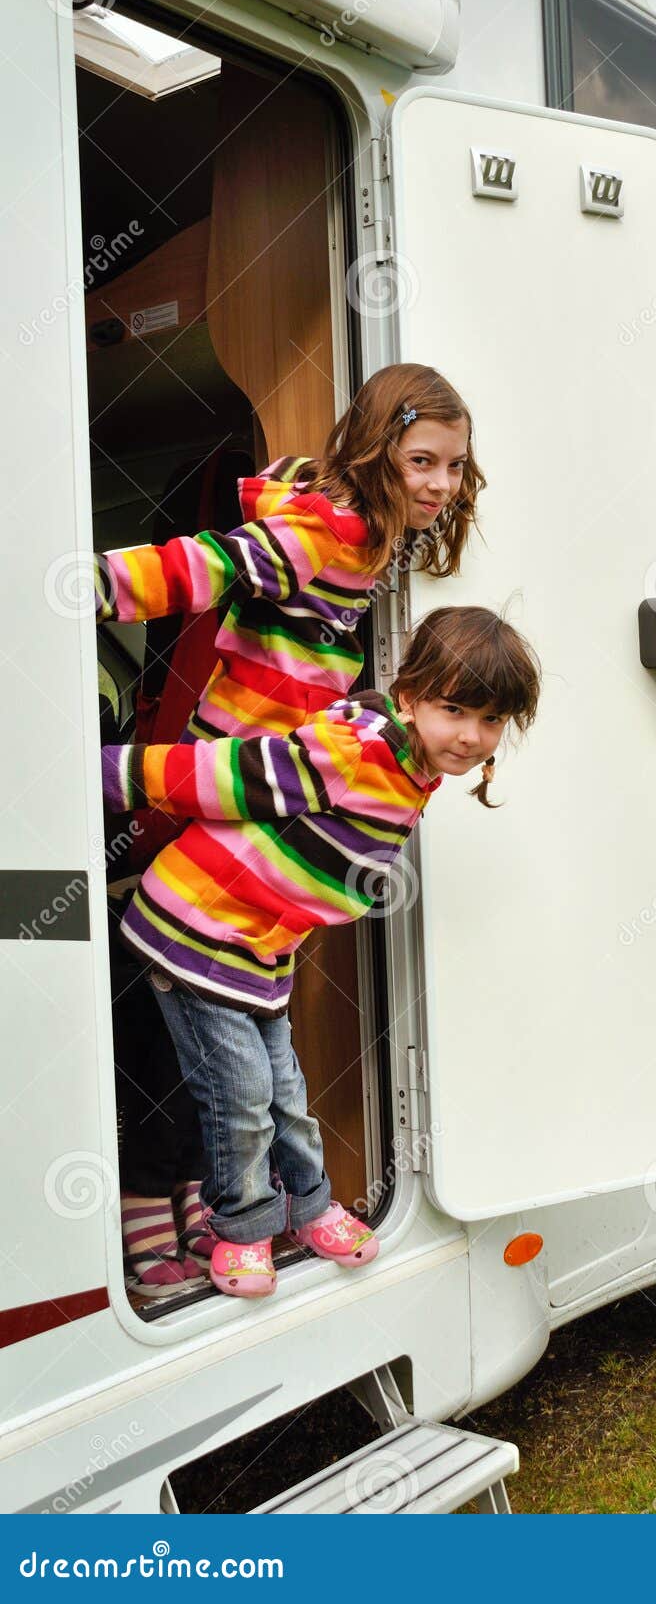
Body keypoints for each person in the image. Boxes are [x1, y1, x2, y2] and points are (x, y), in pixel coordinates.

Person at [94, 363, 487, 1296]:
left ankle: (219, 1199)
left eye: (454, 466)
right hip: (239, 779)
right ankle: (196, 1204)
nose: (438, 482)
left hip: (262, 810)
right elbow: (212, 566)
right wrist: (87, 588)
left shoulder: (370, 542)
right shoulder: (334, 530)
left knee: (243, 1056)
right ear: (378, 446)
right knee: (214, 1052)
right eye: (421, 458)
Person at [99, 607, 542, 1300]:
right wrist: (107, 775)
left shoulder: (413, 769)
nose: (470, 736)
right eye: (453, 709)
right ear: (408, 696)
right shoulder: (359, 752)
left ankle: (306, 1208)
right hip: (196, 929)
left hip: (257, 949)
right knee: (241, 1095)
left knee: (285, 1094)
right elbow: (233, 775)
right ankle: (242, 1231)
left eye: (490, 721)